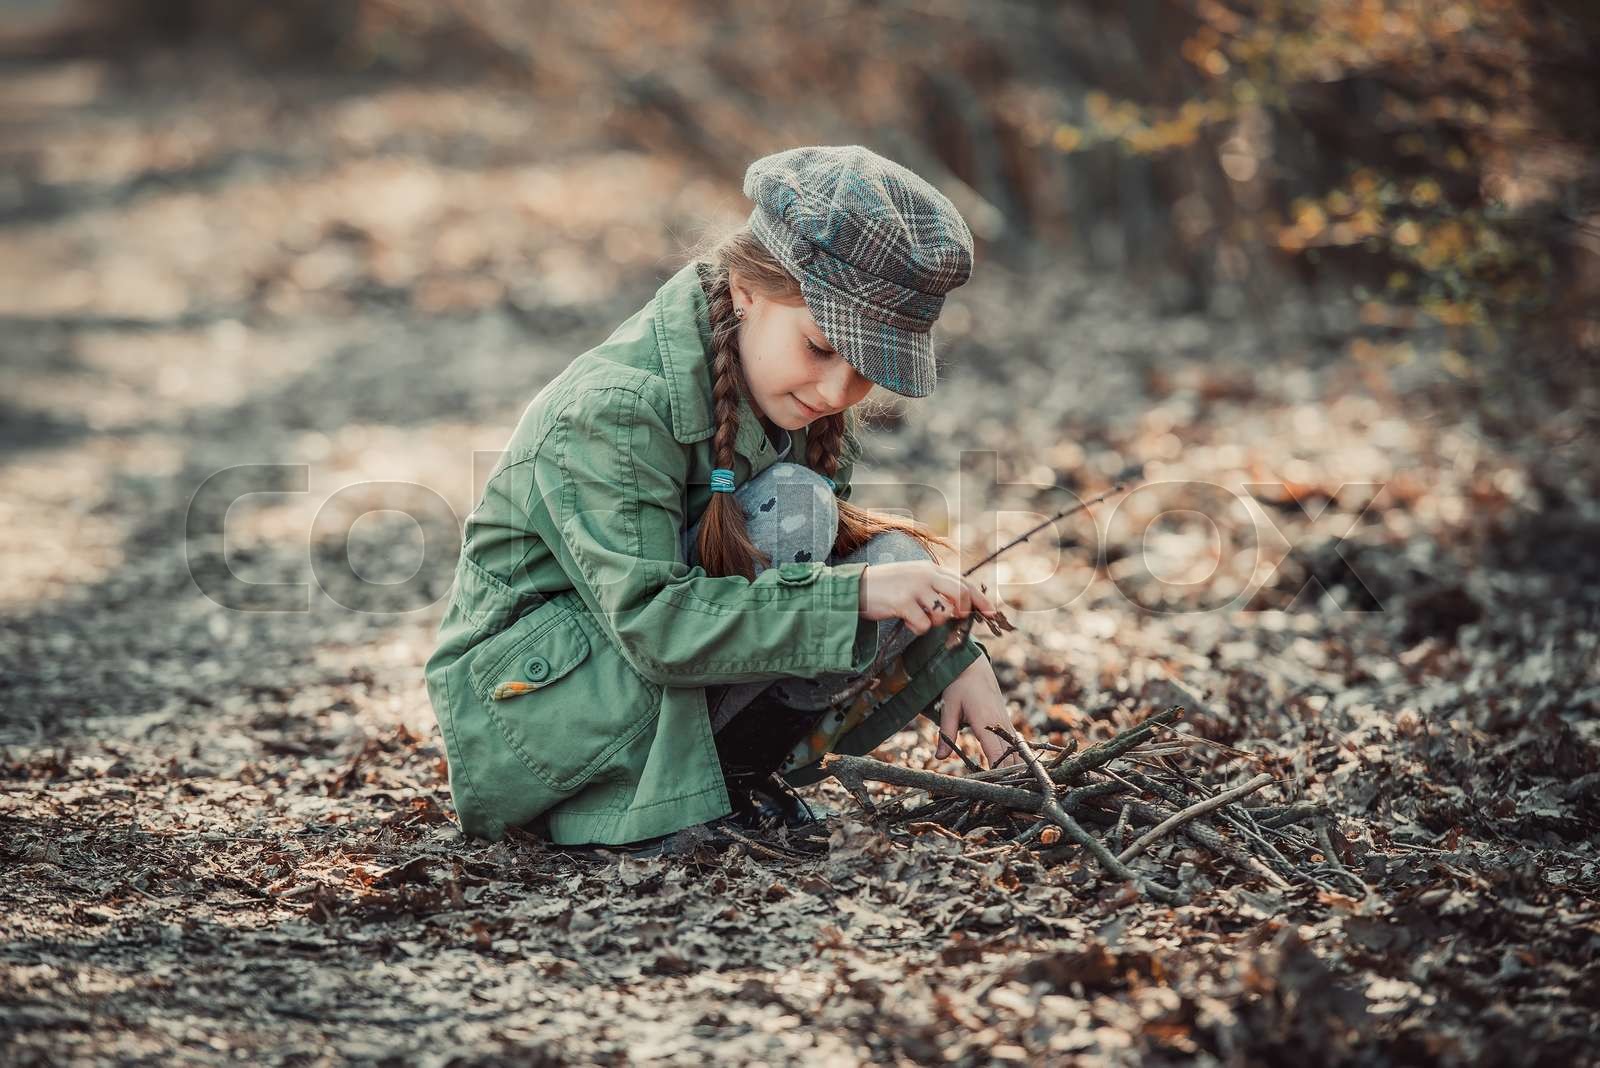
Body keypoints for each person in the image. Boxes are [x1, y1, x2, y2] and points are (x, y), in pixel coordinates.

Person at [423, 144, 1020, 848]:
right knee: (810, 520)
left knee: (890, 552)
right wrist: (859, 595)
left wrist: (953, 656)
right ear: (745, 288)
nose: (836, 393)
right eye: (822, 347)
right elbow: (654, 624)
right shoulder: (615, 407)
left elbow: (838, 563)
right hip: (532, 724)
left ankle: (723, 784)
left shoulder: (788, 391)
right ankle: (636, 806)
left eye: (866, 372)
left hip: (625, 687)